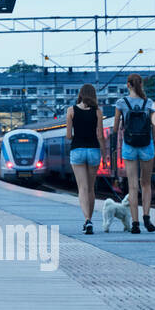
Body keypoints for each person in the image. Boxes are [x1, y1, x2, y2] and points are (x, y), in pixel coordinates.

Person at [113, 73, 155, 234]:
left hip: (129, 146)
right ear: (141, 85)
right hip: (147, 146)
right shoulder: (150, 103)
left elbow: (115, 128)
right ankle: (147, 216)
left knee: (132, 186)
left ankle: (135, 223)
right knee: (145, 184)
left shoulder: (121, 103)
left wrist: (121, 128)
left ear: (128, 85)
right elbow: (154, 128)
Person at [66, 83, 108, 234]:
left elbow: (69, 136)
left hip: (77, 150)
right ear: (93, 95)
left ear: (80, 94)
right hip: (93, 151)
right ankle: (89, 219)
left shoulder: (71, 110)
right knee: (91, 188)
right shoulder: (98, 111)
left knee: (82, 189)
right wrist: (104, 155)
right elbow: (100, 136)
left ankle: (87, 220)